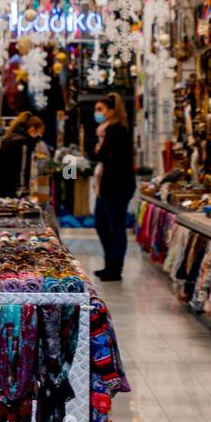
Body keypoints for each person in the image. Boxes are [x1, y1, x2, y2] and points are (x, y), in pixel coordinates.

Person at [92, 93, 135, 282]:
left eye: (100, 109)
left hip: (117, 185)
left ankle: (115, 268)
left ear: (111, 111)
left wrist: (98, 151)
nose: (97, 113)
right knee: (101, 224)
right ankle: (110, 263)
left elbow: (106, 156)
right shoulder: (108, 130)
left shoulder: (117, 130)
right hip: (107, 185)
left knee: (116, 226)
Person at [0, 112, 45, 213]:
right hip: (9, 191)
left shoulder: (13, 137)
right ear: (32, 129)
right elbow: (22, 170)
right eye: (39, 133)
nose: (39, 136)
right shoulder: (24, 143)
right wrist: (24, 192)